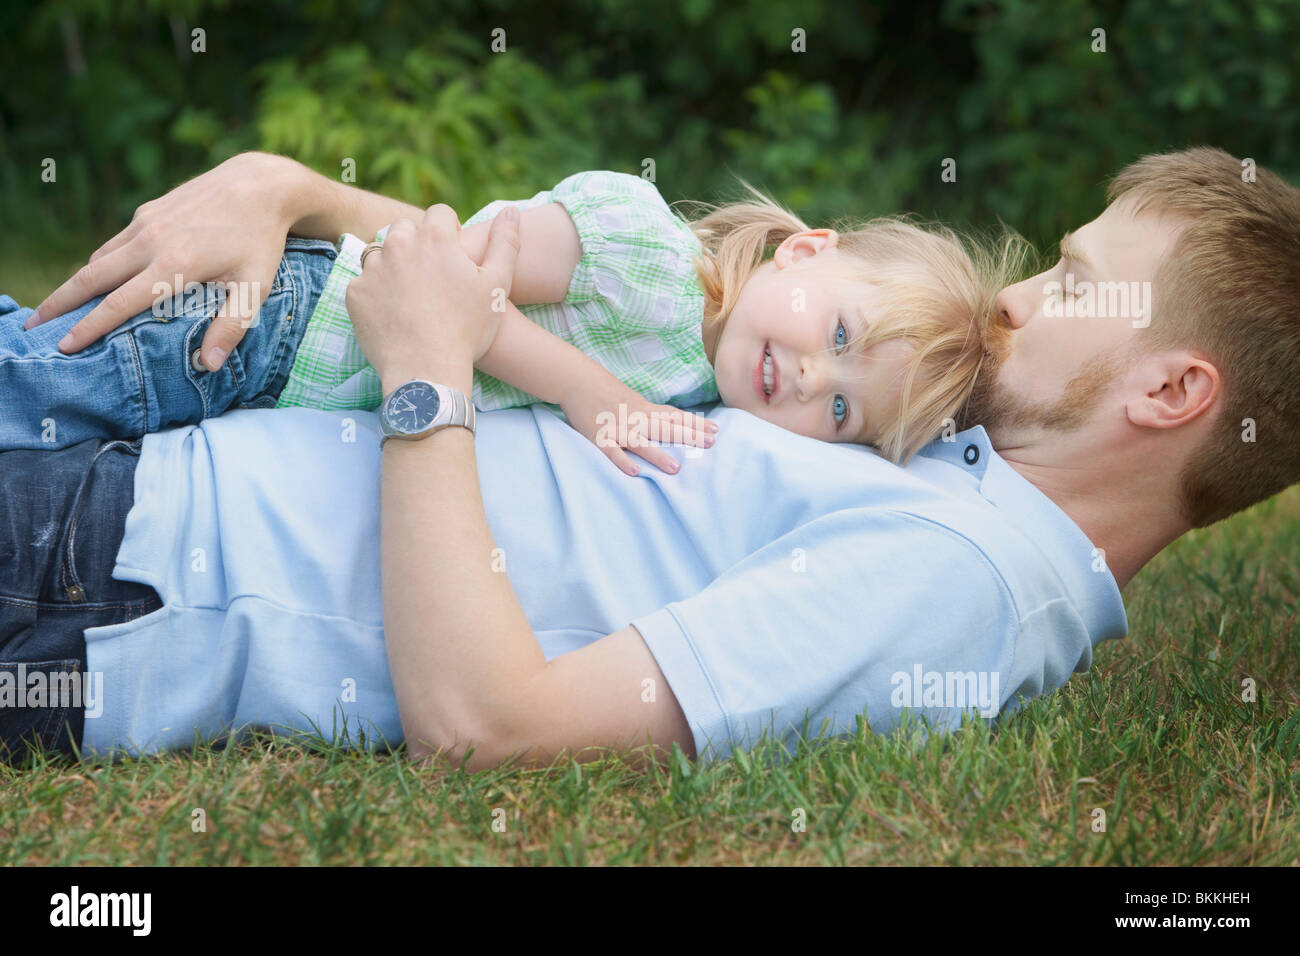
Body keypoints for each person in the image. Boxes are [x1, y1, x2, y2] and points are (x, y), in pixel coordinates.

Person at [2, 147, 1296, 772]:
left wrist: (424, 382)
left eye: (1076, 281)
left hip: (116, 582)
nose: (1015, 299)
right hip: (148, 478)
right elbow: (627, 313)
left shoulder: (964, 579)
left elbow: (497, 730)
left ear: (1173, 389)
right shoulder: (950, 448)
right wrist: (295, 194)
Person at [5, 169, 1018, 472]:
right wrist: (589, 390)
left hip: (273, 386)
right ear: (805, 250)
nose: (807, 378)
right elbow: (453, 280)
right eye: (837, 337)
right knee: (36, 389)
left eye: (841, 410)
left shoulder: (695, 392)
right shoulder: (643, 252)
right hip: (275, 328)